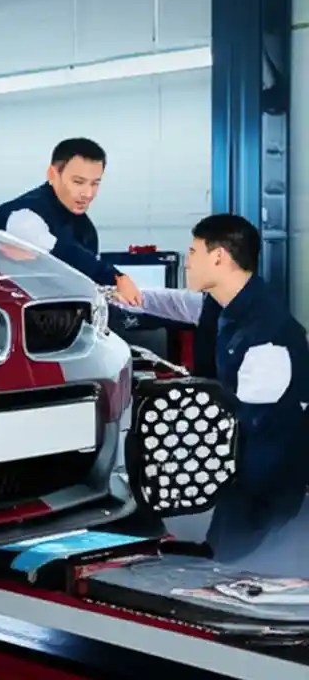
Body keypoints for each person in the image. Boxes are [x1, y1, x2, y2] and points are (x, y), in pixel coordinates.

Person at [117, 214, 309, 573]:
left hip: (266, 486)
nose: (187, 260)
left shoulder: (265, 334)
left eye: (193, 251)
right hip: (243, 476)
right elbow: (176, 304)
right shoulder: (224, 303)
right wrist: (129, 297)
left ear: (219, 257)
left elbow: (253, 431)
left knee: (237, 565)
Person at [0, 138, 143, 306]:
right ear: (52, 174)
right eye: (78, 182)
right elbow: (61, 253)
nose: (88, 193)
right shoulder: (21, 214)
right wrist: (116, 277)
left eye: (95, 183)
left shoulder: (84, 226)